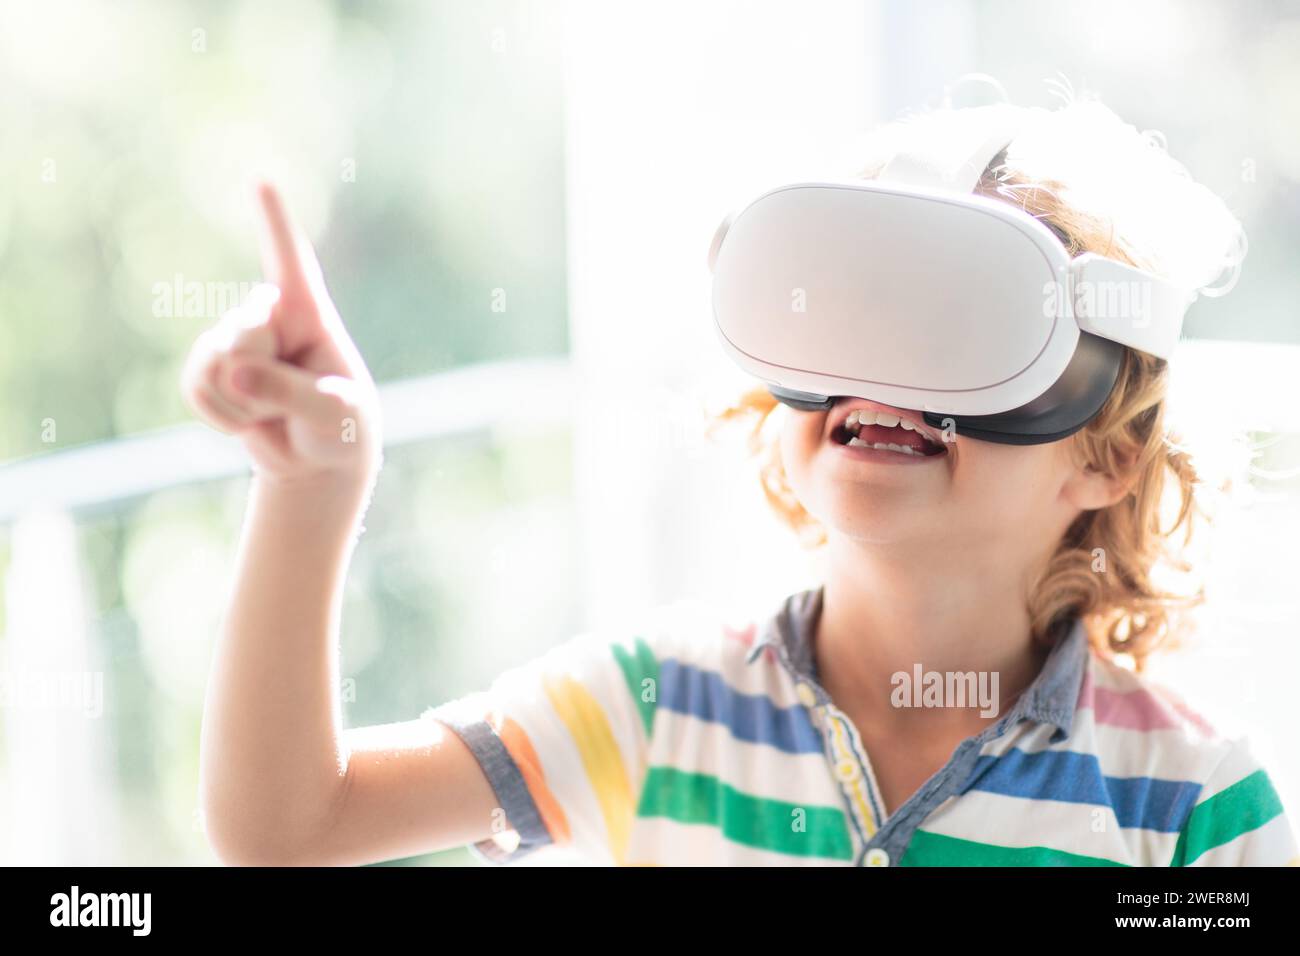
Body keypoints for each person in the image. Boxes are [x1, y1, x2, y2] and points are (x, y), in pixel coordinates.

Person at [184, 95, 1298, 867]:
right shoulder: (654, 702)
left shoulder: (1193, 804)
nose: (885, 367)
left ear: (1104, 452)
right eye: (843, 308)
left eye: (971, 323)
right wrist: (312, 489)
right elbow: (290, 823)